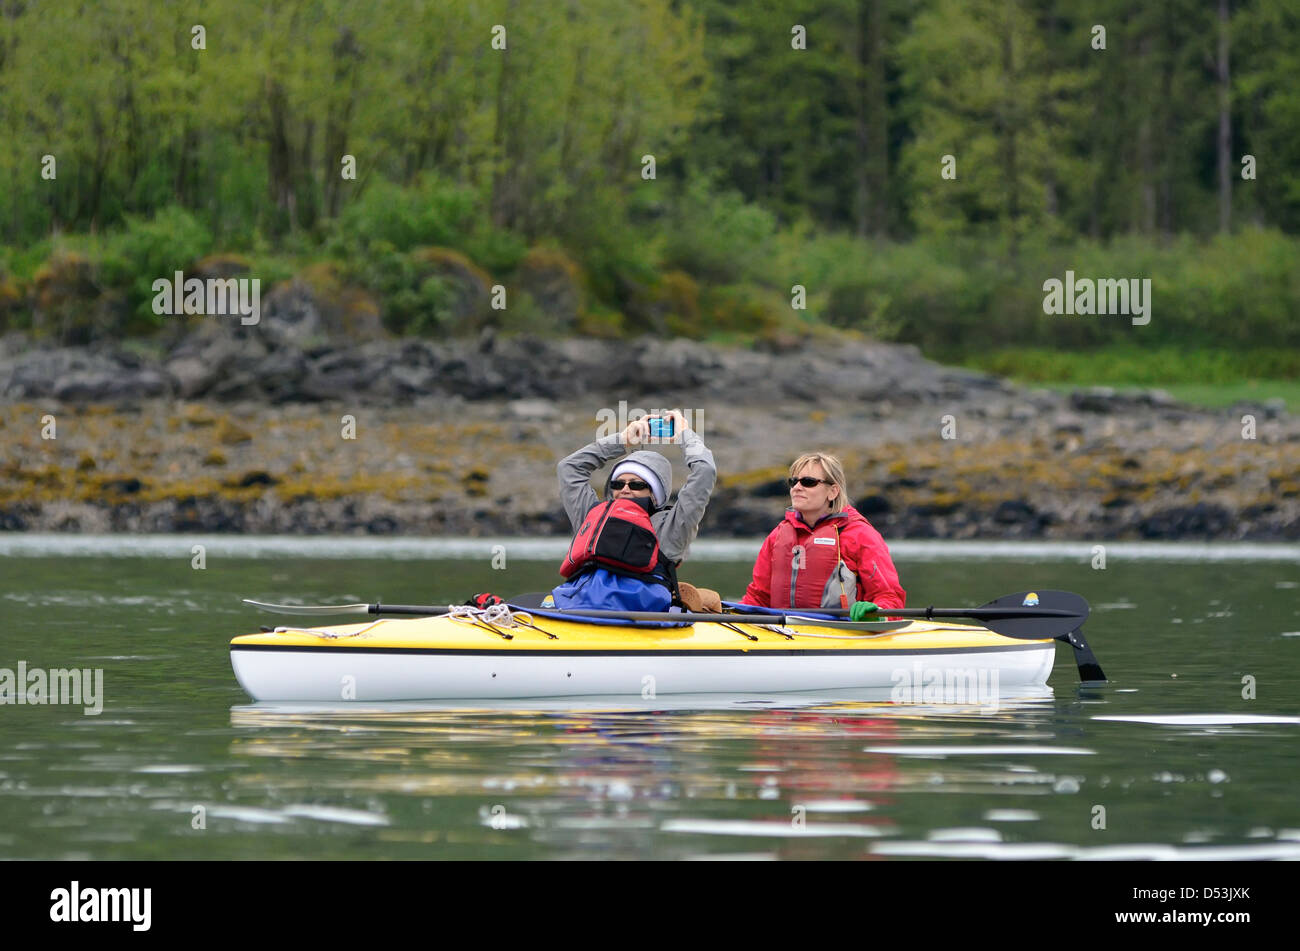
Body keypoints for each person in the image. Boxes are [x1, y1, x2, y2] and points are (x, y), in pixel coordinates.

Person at [551, 410, 717, 612]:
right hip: (579, 606)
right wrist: (622, 440)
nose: (625, 489)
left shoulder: (672, 528)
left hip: (642, 614)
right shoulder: (593, 516)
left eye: (637, 485)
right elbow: (568, 468)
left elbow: (705, 472)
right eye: (617, 483)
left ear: (655, 494)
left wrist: (685, 434)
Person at [742, 452, 905, 611]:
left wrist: (876, 612)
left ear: (833, 491)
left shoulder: (861, 535)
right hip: (785, 633)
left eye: (808, 482)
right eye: (793, 482)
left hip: (840, 633)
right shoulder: (777, 536)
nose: (797, 488)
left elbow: (890, 598)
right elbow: (757, 598)